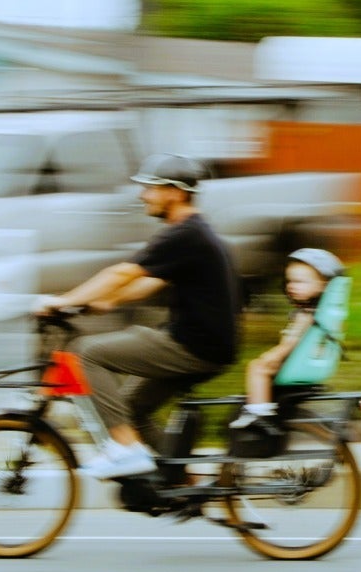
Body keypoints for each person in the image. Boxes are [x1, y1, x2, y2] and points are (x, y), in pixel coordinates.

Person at [36, 153, 241, 480]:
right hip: (203, 344)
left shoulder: (184, 233)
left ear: (175, 192)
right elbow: (145, 283)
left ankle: (126, 449)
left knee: (85, 353)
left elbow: (122, 272)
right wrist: (102, 302)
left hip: (191, 346)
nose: (143, 195)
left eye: (151, 187)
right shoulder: (193, 233)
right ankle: (183, 484)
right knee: (129, 409)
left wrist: (63, 301)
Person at [228, 247, 344, 436]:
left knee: (256, 367)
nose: (291, 286)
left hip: (292, 364)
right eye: (290, 281)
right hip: (302, 365)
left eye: (299, 282)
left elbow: (291, 343)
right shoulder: (322, 314)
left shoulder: (305, 315)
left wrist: (273, 355)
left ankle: (259, 414)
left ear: (323, 285)